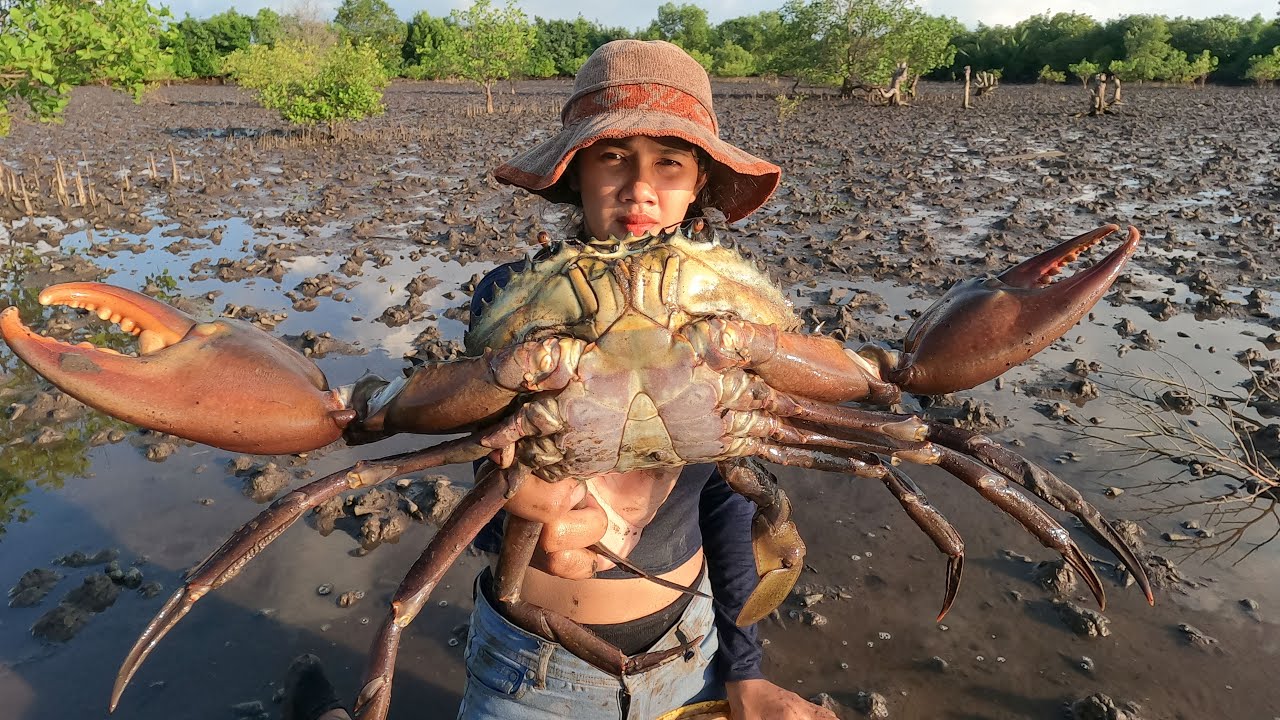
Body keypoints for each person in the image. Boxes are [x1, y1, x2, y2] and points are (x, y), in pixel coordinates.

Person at [285, 40, 838, 720]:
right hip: (535, 674)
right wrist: (527, 508)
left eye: (669, 162)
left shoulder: (724, 307)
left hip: (688, 654)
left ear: (698, 183)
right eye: (612, 157)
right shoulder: (515, 298)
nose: (640, 188)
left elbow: (728, 499)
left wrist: (744, 666)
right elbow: (488, 494)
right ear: (575, 173)